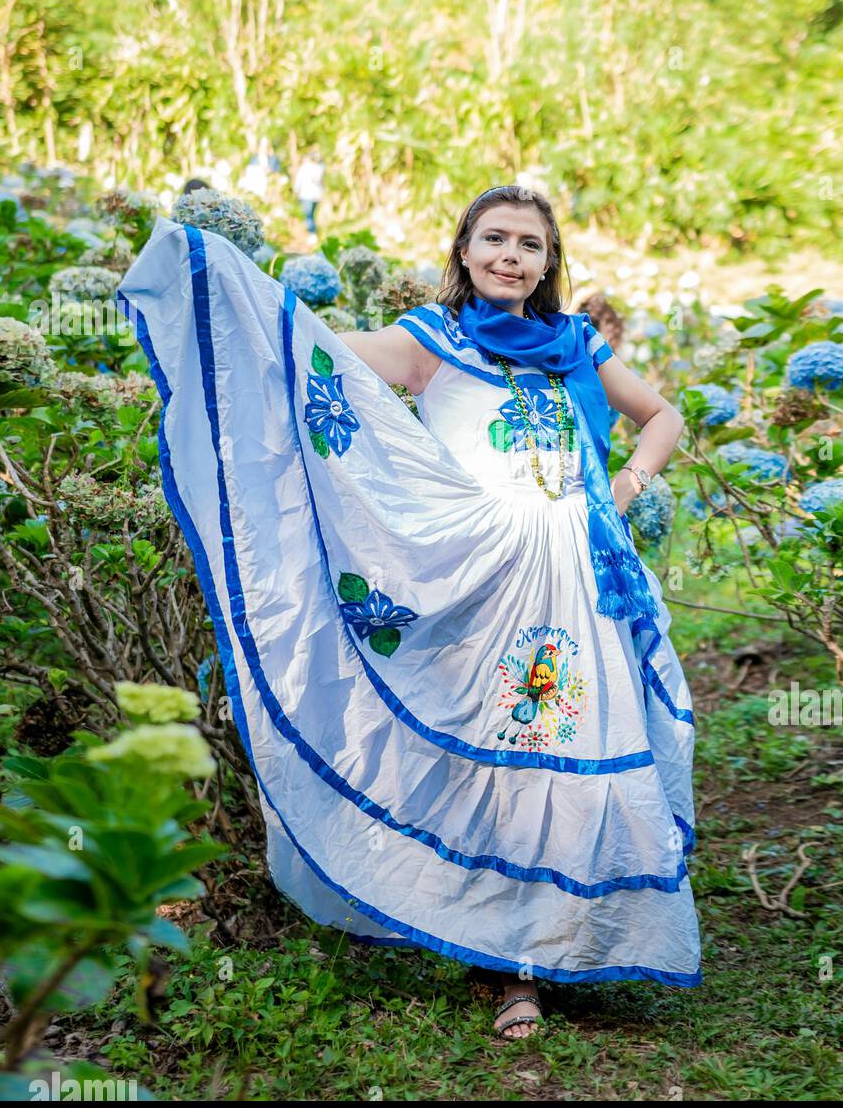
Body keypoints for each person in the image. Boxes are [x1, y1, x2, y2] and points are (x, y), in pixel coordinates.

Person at [114, 184, 700, 1042]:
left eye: (529, 245)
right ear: (464, 252)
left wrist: (621, 488)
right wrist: (218, 281)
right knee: (499, 760)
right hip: (478, 577)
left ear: (548, 264)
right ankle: (508, 968)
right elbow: (302, 353)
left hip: (580, 569)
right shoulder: (430, 340)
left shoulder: (575, 342)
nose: (510, 255)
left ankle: (575, 935)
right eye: (493, 239)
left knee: (578, 748)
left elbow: (660, 415)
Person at [294, 147, 325, 237]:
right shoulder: (320, 168)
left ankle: (312, 233)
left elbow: (298, 180)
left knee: (309, 215)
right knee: (311, 214)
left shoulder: (305, 167)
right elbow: (322, 181)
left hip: (306, 195)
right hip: (316, 195)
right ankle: (313, 232)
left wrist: (296, 190)